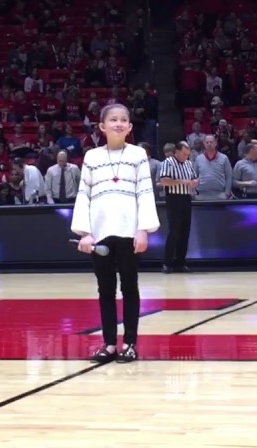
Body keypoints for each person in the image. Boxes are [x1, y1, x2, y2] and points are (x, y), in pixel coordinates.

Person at [72, 103, 159, 364]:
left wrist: (143, 229)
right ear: (102, 126)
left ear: (130, 126)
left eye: (124, 120)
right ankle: (109, 344)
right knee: (105, 290)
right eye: (113, 120)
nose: (118, 123)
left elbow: (145, 193)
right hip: (99, 235)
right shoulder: (92, 157)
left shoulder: (138, 155)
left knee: (130, 288)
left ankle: (130, 344)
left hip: (129, 232)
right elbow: (83, 196)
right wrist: (85, 233)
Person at [158, 140, 198, 274]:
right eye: (185, 154)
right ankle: (167, 263)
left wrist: (194, 182)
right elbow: (164, 181)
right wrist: (184, 181)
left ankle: (180, 262)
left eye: (188, 154)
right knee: (174, 231)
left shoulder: (189, 164)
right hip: (174, 199)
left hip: (186, 198)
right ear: (177, 152)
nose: (187, 156)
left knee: (185, 232)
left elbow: (194, 178)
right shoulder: (168, 162)